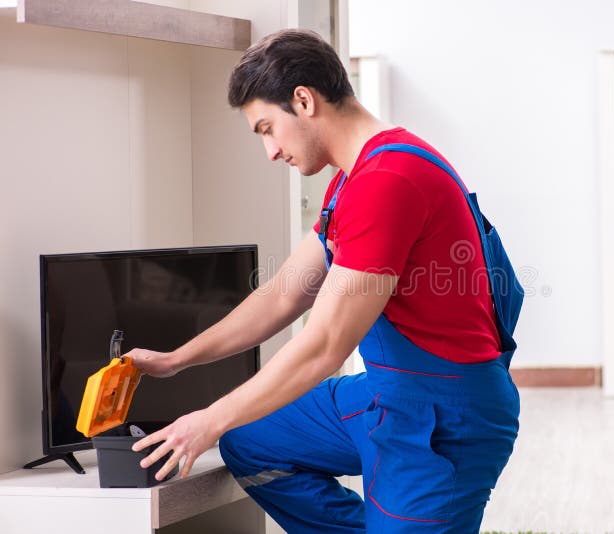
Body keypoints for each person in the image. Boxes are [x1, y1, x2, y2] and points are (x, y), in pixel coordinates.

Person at [128, 29, 523, 533]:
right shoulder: (353, 176)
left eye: (268, 128)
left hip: (446, 419)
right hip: (387, 394)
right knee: (251, 441)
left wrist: (208, 419)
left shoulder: (387, 181)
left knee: (229, 425)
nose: (270, 151)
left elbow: (325, 347)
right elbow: (284, 293)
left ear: (303, 100)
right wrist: (176, 360)